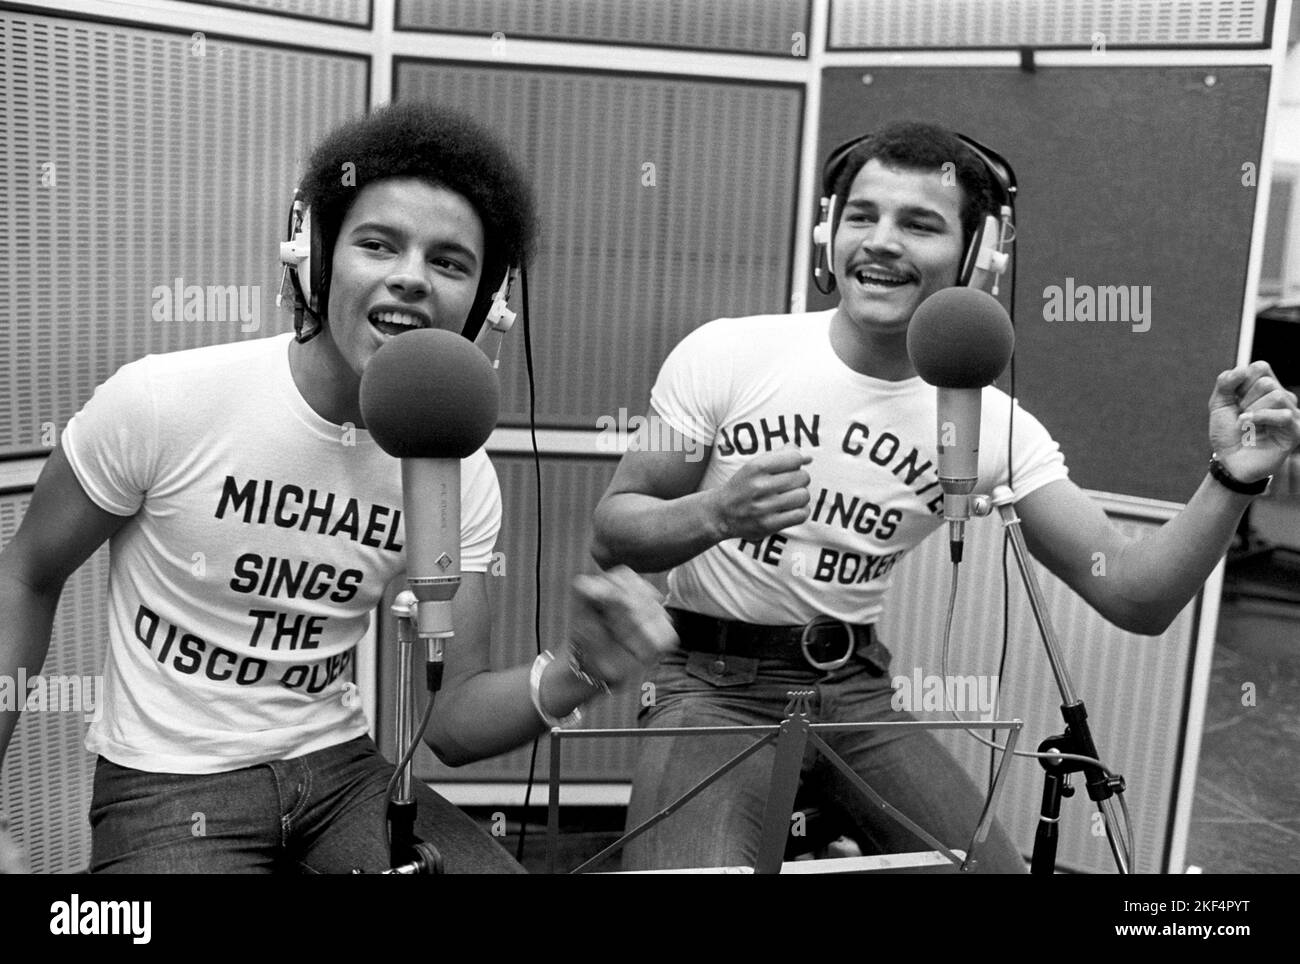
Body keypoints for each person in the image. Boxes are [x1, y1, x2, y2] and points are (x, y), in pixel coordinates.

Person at [591, 121, 1300, 872]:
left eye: (919, 224)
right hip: (713, 684)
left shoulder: (992, 424)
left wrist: (1233, 477)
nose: (880, 242)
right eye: (862, 216)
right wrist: (714, 513)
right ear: (829, 229)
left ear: (979, 257)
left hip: (855, 689)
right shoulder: (727, 353)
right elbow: (614, 531)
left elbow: (1133, 594)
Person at [0, 101, 675, 874]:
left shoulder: (455, 466)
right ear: (314, 260)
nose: (411, 278)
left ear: (487, 304)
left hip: (339, 774)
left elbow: (451, 723)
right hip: (167, 783)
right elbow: (25, 573)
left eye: (450, 262)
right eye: (378, 245)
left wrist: (578, 668)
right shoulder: (164, 403)